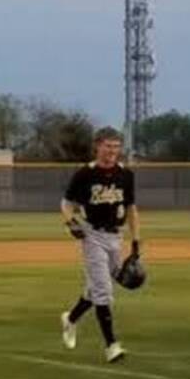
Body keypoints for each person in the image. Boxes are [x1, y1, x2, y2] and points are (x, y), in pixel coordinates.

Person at [59, 127, 141, 364]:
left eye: (116, 146)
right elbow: (66, 203)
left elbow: (131, 210)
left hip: (116, 236)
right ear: (97, 146)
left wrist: (136, 242)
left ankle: (71, 318)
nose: (112, 151)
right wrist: (70, 222)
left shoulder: (126, 175)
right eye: (108, 146)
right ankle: (111, 346)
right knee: (104, 290)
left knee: (96, 287)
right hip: (91, 234)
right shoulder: (86, 173)